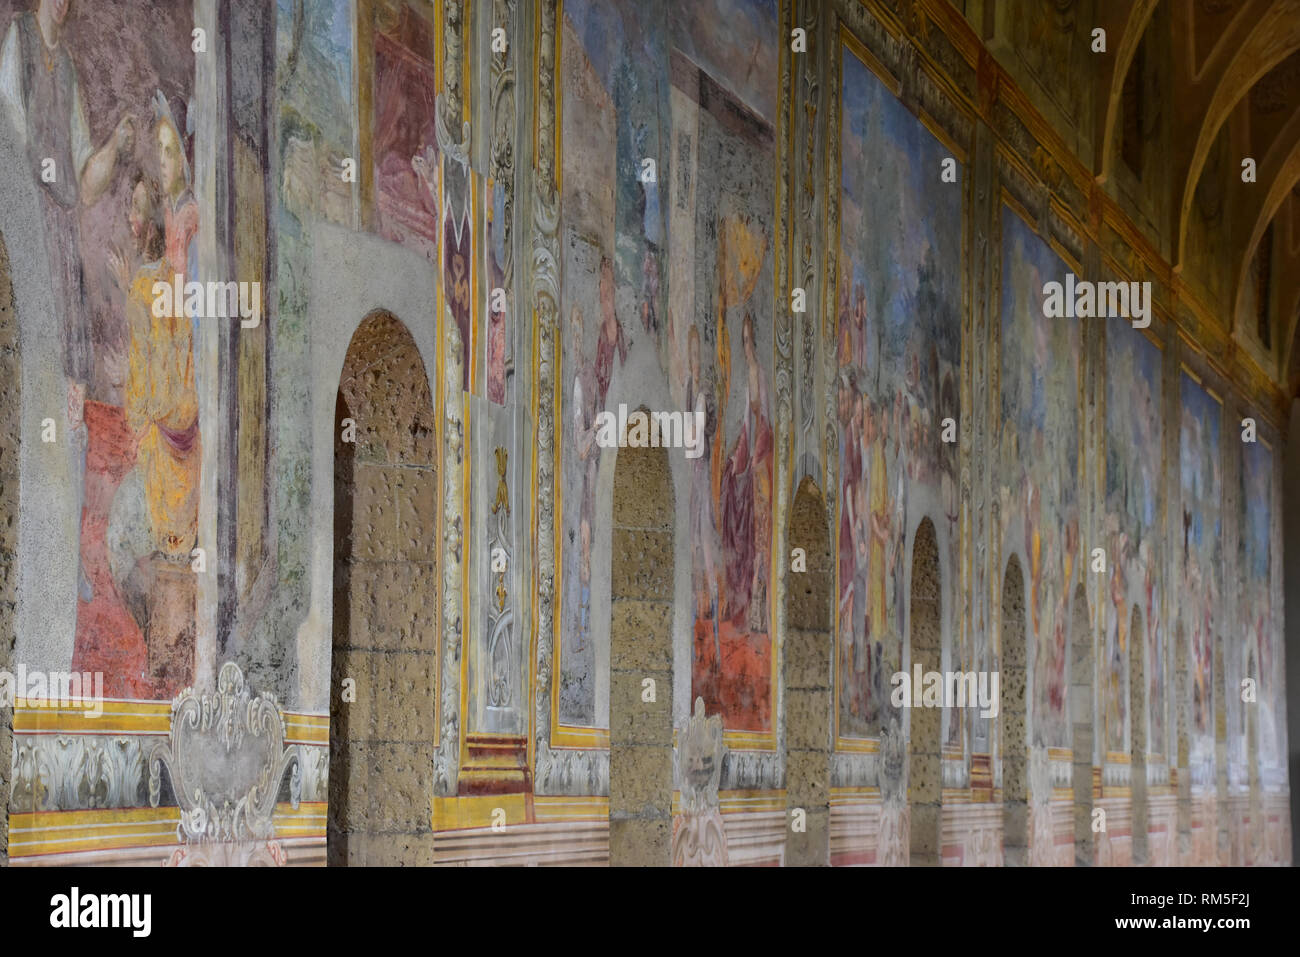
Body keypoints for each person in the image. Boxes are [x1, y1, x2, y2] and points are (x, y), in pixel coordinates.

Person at [0, 0, 135, 601]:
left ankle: (65, 546)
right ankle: (31, 548)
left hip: (60, 242)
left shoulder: (72, 72)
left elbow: (85, 180)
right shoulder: (19, 44)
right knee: (33, 379)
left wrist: (113, 145)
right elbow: (11, 137)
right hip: (23, 227)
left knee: (73, 396)